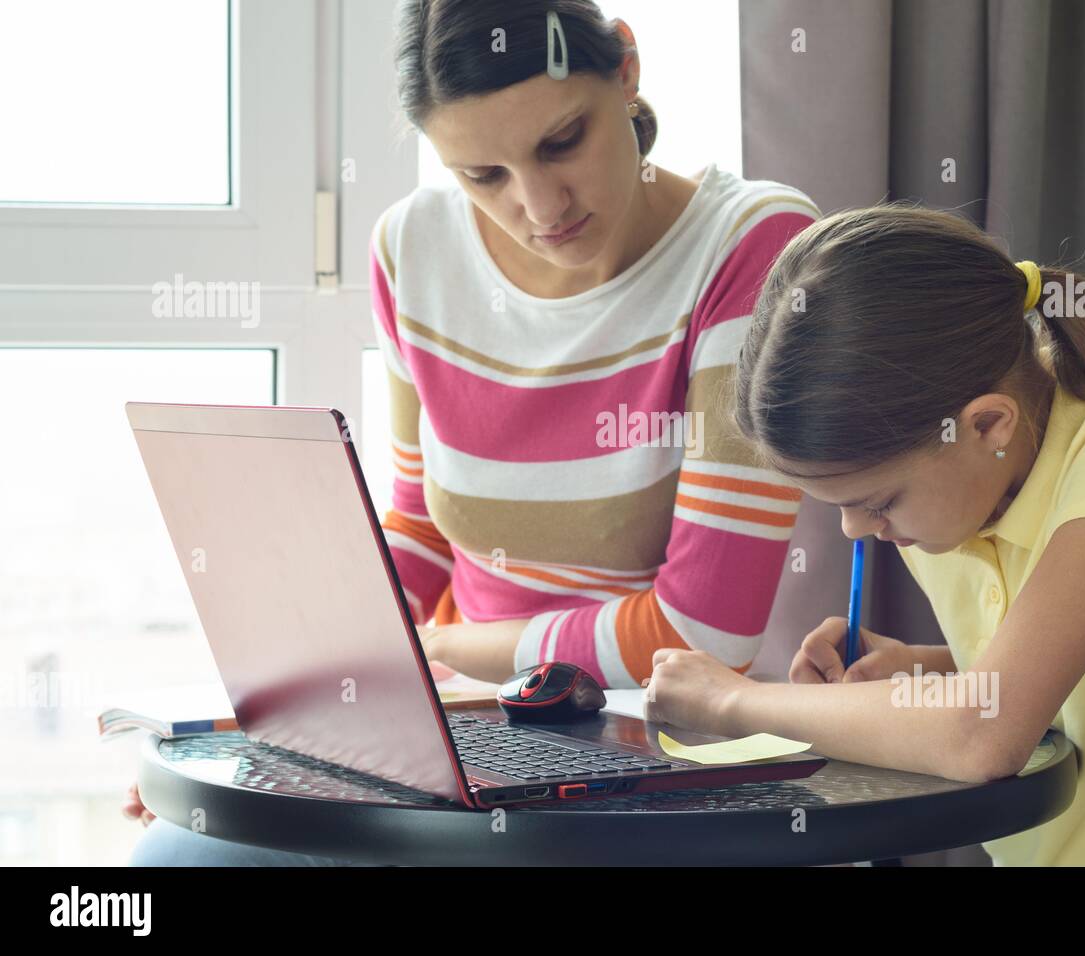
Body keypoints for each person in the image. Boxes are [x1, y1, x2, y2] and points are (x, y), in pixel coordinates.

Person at [127, 0, 819, 864]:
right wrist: (272, 710)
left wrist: (439, 650)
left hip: (652, 750)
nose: (538, 205)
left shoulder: (753, 246)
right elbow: (420, 530)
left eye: (562, 141)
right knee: (184, 854)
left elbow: (699, 637)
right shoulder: (411, 248)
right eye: (483, 176)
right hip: (460, 730)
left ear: (627, 70)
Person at [642, 204, 1085, 866]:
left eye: (878, 501)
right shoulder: (962, 493)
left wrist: (737, 702)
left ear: (987, 426)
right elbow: (1074, 672)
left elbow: (985, 736)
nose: (857, 531)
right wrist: (926, 668)